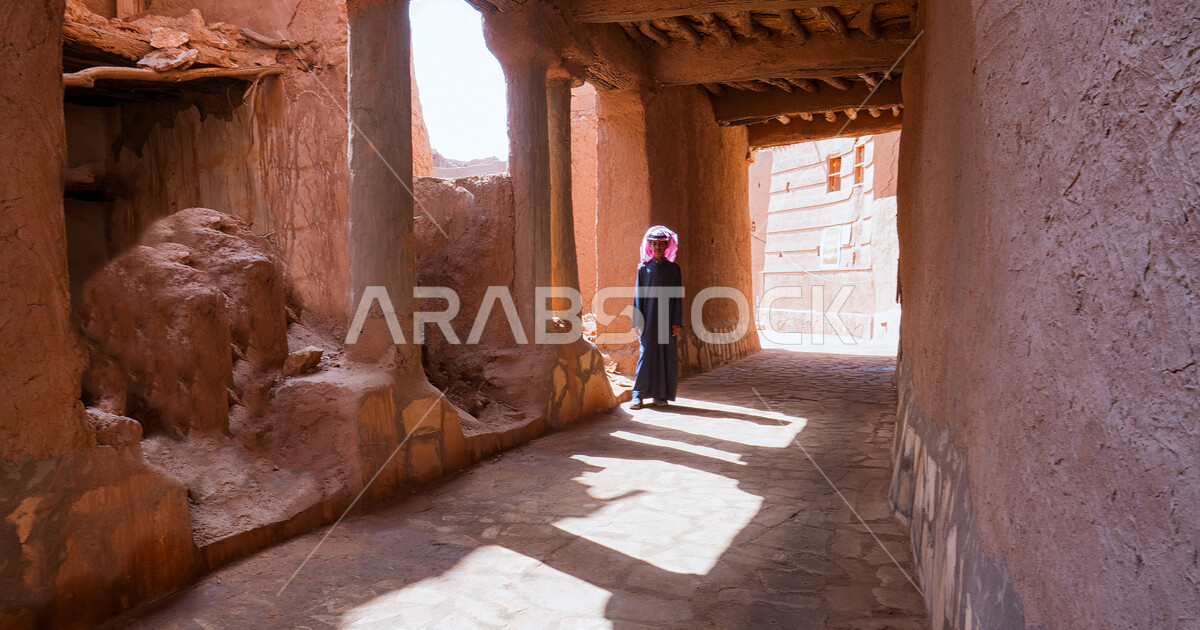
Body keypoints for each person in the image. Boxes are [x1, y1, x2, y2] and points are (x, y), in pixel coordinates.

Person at [630, 226, 683, 410]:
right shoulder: (644, 270)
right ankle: (638, 396)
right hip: (649, 320)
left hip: (668, 321)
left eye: (661, 244)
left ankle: (661, 395)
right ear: (649, 246)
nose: (657, 247)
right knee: (646, 354)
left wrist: (677, 322)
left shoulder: (674, 269)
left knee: (665, 356)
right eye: (654, 244)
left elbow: (677, 297)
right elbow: (639, 296)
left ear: (666, 246)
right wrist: (638, 321)